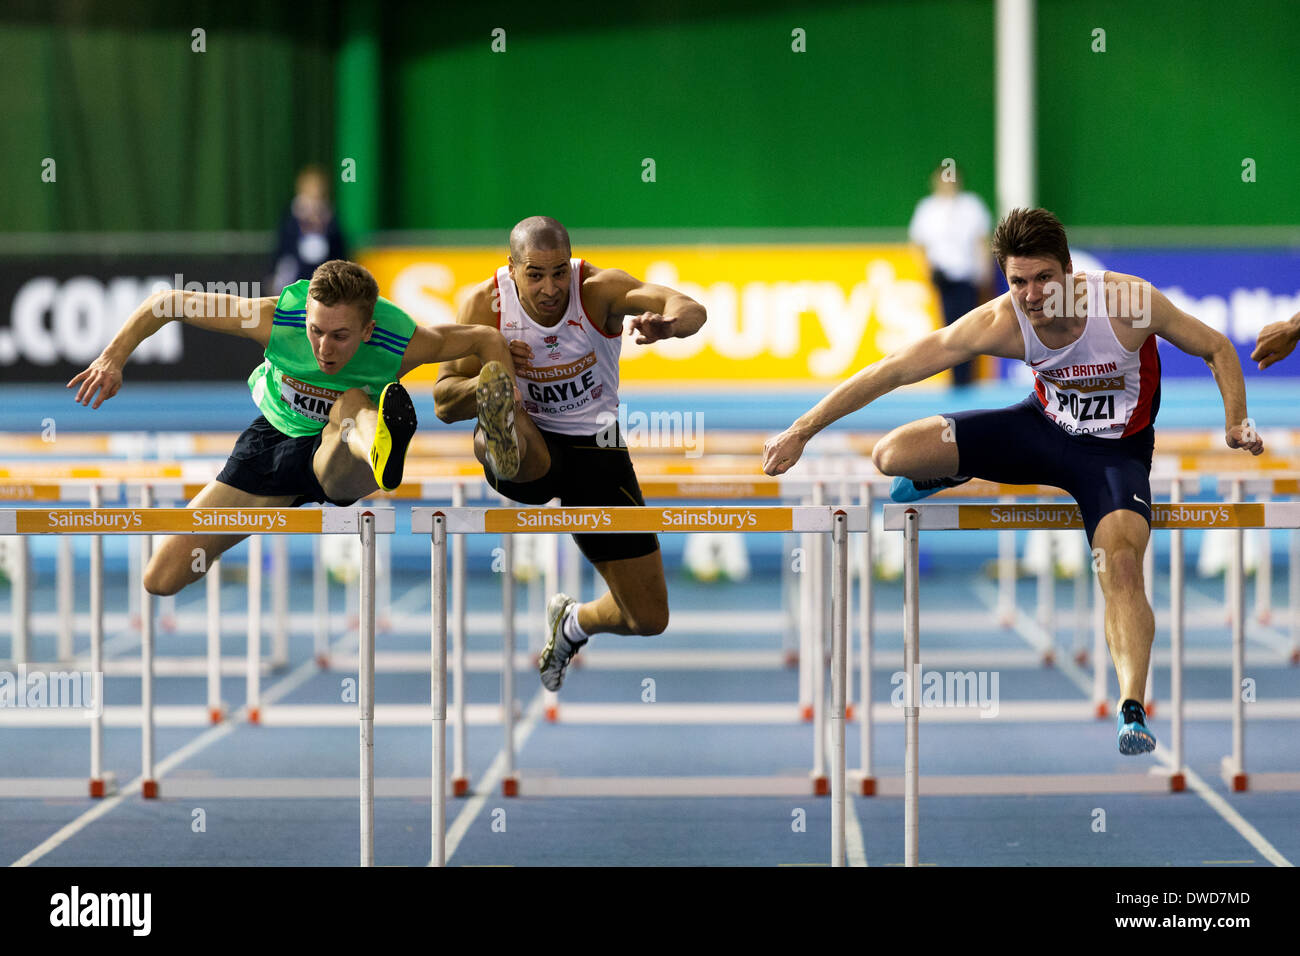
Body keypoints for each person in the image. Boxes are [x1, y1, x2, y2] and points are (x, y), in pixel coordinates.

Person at [763, 207, 1264, 755]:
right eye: (1018, 281)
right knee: (892, 454)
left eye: (1045, 279)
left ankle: (1131, 705)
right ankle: (951, 469)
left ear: (1070, 272)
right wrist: (802, 429)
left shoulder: (1128, 303)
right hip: (1042, 434)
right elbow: (895, 368)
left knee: (1121, 561)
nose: (1032, 295)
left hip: (1115, 456)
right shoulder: (1001, 320)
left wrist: (1235, 421)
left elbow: (1216, 347)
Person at [68, 259, 520, 597]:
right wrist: (112, 357)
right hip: (270, 441)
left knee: (351, 406)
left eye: (340, 336)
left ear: (367, 330)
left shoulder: (403, 343)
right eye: (316, 330)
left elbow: (486, 338)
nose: (324, 348)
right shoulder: (272, 318)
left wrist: (505, 412)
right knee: (160, 579)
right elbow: (164, 303)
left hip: (338, 455)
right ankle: (336, 461)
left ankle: (381, 445)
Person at [434, 216, 707, 692]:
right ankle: (498, 437)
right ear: (512, 268)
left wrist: (670, 326)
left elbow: (687, 306)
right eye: (535, 274)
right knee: (507, 422)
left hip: (597, 451)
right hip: (530, 446)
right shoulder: (483, 304)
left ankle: (572, 623)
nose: (550, 288)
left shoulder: (599, 289)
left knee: (648, 617)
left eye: (559, 272)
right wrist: (491, 378)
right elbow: (443, 402)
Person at [908, 163, 993, 386]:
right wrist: (928, 271)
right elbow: (919, 245)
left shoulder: (971, 206)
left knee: (970, 328)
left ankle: (966, 378)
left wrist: (983, 272)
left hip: (966, 276)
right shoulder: (928, 209)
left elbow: (981, 241)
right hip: (943, 277)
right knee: (947, 329)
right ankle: (955, 378)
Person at [271, 165, 347, 293]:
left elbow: (340, 248)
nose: (315, 191)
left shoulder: (331, 216)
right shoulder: (291, 215)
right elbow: (281, 247)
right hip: (295, 274)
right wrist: (275, 274)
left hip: (324, 274)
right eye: (311, 187)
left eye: (318, 187)